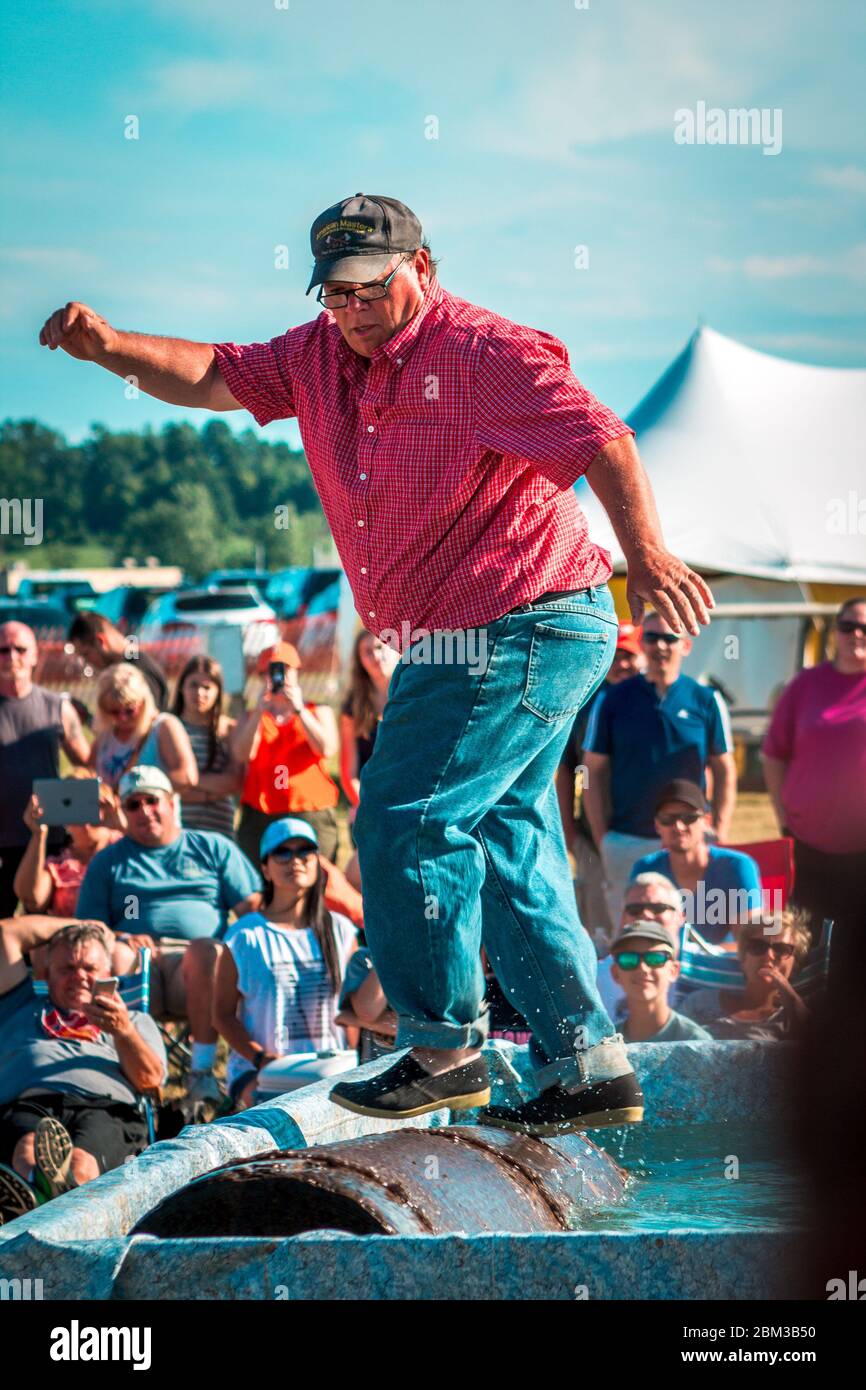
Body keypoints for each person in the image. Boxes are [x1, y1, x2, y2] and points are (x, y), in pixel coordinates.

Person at [38, 191, 713, 1134]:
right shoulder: (315, 356)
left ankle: (443, 1046)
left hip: (522, 619)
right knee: (505, 835)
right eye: (335, 294)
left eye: (369, 289)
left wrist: (648, 556)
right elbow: (212, 375)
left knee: (403, 813)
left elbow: (601, 437)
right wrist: (110, 345)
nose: (350, 310)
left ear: (421, 269)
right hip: (467, 635)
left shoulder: (484, 353)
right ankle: (587, 1062)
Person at [75, 766, 262, 1107]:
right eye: (133, 804)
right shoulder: (108, 862)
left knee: (206, 950)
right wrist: (119, 935)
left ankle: (201, 1073)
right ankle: (127, 1076)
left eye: (152, 800)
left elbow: (253, 910)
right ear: (123, 812)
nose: (144, 810)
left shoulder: (211, 847)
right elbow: (89, 929)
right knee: (113, 955)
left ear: (173, 803)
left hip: (196, 965)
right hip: (134, 958)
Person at [0, 919, 166, 1223]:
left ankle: (33, 1212)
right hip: (29, 1103)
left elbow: (151, 1082)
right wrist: (89, 924)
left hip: (107, 1109)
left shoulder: (134, 1019)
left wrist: (123, 1032)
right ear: (45, 975)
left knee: (81, 1162)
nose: (79, 976)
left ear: (107, 975)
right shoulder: (18, 1004)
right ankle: (61, 1218)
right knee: (27, 1150)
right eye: (66, 969)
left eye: (89, 969)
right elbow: (6, 933)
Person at [583, 610, 736, 926]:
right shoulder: (613, 700)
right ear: (643, 643)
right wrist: (603, 836)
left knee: (692, 933)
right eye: (651, 637)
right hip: (627, 838)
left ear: (686, 646)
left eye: (670, 638)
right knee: (629, 936)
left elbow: (725, 769)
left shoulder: (706, 700)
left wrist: (718, 827)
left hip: (688, 838)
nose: (661, 646)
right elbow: (591, 772)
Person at [213, 817, 358, 1110]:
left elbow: (353, 1010)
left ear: (318, 862)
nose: (295, 860)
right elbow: (222, 1015)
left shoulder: (341, 930)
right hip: (263, 1071)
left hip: (330, 1068)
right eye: (282, 852)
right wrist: (261, 1060)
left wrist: (355, 1062)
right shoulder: (243, 936)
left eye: (305, 851)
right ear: (265, 868)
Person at [762, 596, 866, 948]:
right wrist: (783, 814)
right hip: (807, 845)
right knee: (805, 945)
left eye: (864, 627)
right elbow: (774, 754)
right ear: (835, 631)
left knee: (853, 953)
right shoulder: (805, 685)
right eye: (848, 626)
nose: (856, 634)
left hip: (862, 850)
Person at [556, 621, 644, 942]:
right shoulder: (584, 706)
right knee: (597, 927)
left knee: (643, 915)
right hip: (593, 836)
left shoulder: (652, 701)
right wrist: (569, 832)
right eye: (616, 656)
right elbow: (565, 770)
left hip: (645, 833)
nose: (622, 664)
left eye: (629, 656)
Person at [0, 621, 92, 916]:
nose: (11, 656)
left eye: (20, 649)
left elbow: (89, 766)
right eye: (2, 650)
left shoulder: (57, 708)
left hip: (45, 841)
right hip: (1, 838)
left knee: (42, 935)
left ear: (35, 655)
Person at [13, 769, 134, 977]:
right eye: (70, 802)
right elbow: (32, 899)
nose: (82, 814)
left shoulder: (124, 849)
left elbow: (138, 893)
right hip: (67, 946)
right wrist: (38, 835)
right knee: (40, 949)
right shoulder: (60, 864)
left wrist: (122, 828)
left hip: (116, 940)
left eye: (89, 800)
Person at [232, 642, 340, 865]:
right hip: (261, 811)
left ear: (296, 672)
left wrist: (299, 709)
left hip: (310, 809)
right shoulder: (252, 716)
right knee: (260, 882)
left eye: (284, 669)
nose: (279, 677)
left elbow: (327, 748)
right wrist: (259, 712)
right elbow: (242, 754)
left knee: (317, 881)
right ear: (263, 676)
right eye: (271, 671)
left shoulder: (317, 711)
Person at [630, 779, 763, 945]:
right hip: (663, 964)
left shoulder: (738, 866)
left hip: (722, 965)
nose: (678, 826)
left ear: (706, 821)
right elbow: (635, 932)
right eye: (667, 819)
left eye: (688, 818)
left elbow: (750, 942)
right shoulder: (645, 868)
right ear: (657, 825)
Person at [679, 909, 812, 1041]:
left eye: (781, 949)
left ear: (795, 965)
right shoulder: (701, 1001)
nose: (768, 956)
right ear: (742, 959)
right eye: (757, 946)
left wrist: (790, 997)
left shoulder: (789, 1021)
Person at [340, 628, 399, 891]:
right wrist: (369, 807)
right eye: (367, 652)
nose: (376, 656)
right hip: (368, 804)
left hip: (411, 800)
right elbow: (348, 772)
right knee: (371, 881)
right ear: (359, 661)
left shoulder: (412, 694)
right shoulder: (354, 707)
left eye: (380, 646)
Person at [90, 662, 198, 795]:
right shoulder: (105, 735)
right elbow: (90, 773)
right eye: (114, 711)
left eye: (129, 710)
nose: (122, 718)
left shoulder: (163, 726)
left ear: (143, 702)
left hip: (151, 814)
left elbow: (187, 776)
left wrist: (137, 790)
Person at [595, 872, 687, 1027]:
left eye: (658, 908)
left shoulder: (712, 970)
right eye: (635, 909)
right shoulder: (596, 976)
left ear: (681, 917)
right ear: (623, 917)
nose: (645, 914)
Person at [172, 655, 243, 839]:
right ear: (181, 687)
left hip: (218, 831)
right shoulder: (167, 727)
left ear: (218, 691)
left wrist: (189, 781)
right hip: (178, 828)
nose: (199, 693)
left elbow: (234, 780)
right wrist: (211, 792)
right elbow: (166, 783)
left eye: (207, 687)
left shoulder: (228, 729)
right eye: (193, 685)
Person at [609, 920, 712, 1043]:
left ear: (674, 970)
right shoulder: (606, 1044)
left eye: (655, 958)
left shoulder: (696, 1042)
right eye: (629, 959)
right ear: (615, 973)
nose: (643, 968)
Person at [67, 610, 168, 710]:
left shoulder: (137, 668)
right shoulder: (129, 662)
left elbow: (148, 720)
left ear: (100, 641)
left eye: (86, 654)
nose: (86, 662)